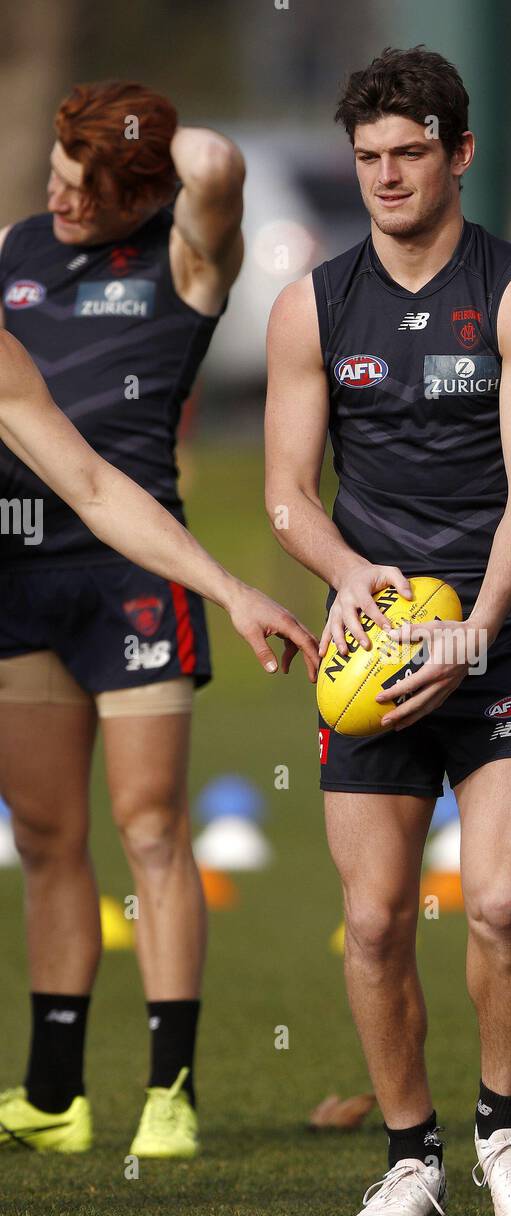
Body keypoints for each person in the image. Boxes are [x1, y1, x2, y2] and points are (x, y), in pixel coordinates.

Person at [265, 47, 511, 1216]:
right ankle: (411, 1158)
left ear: (459, 153)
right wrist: (346, 575)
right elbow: (289, 492)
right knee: (380, 918)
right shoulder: (314, 300)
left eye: (409, 153)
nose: (388, 176)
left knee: (497, 901)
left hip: (506, 630)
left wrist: (479, 628)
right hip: (373, 648)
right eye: (368, 158)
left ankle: (506, 1132)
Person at [0, 80, 252, 1158]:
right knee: (49, 836)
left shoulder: (186, 256)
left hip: (134, 572)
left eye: (82, 189)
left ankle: (171, 1087)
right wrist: (87, 150)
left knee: (150, 828)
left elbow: (217, 165)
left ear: (137, 192)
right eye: (54, 179)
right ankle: (55, 1094)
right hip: (19, 573)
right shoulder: (14, 245)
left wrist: (133, 141)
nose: (59, 202)